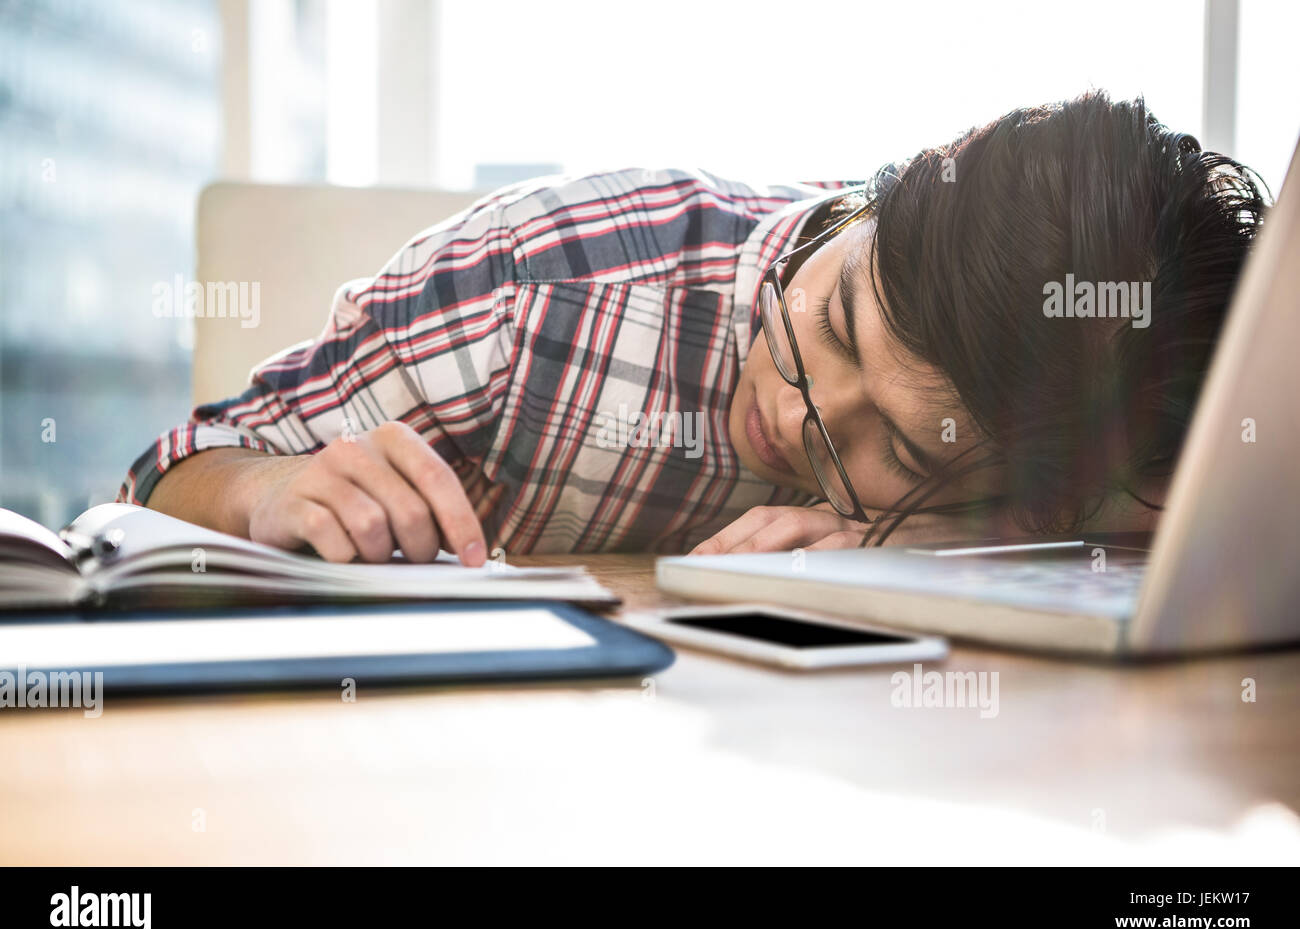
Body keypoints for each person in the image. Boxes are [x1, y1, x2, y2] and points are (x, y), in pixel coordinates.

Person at [119, 91, 1267, 566]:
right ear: (871, 202)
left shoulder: (1072, 386)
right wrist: (261, 494)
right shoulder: (543, 286)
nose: (798, 409)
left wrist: (935, 555)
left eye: (906, 451)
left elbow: (1167, 547)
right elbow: (150, 489)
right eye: (840, 319)